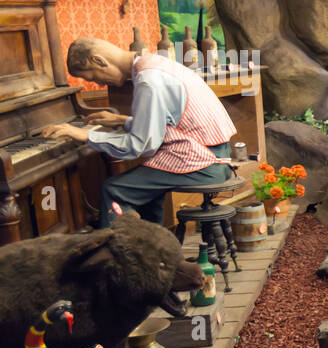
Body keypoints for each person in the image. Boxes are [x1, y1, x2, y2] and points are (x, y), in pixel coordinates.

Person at [39, 37, 236, 226]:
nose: (99, 84)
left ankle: (115, 258)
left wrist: (87, 135)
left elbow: (141, 145)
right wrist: (123, 121)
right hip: (215, 155)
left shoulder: (148, 81)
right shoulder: (155, 64)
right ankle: (154, 250)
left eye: (93, 76)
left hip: (205, 164)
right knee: (147, 190)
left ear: (98, 61)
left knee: (113, 190)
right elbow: (170, 123)